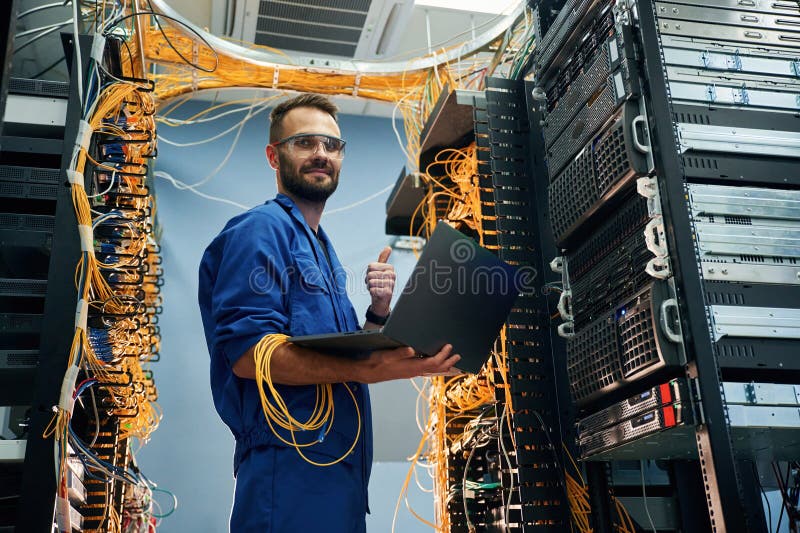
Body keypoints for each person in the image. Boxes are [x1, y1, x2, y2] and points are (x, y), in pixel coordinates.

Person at [198, 93, 461, 532]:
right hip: (289, 473)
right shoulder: (260, 231)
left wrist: (377, 318)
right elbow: (248, 357)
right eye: (304, 142)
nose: (321, 154)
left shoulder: (321, 249)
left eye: (332, 145)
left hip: (341, 479)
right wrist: (371, 369)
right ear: (273, 156)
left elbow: (343, 356)